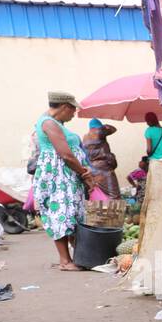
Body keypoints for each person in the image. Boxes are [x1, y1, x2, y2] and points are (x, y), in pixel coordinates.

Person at [32, 91, 96, 271]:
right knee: (61, 212)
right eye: (73, 109)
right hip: (58, 175)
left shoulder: (56, 122)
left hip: (67, 174)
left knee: (73, 213)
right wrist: (84, 173)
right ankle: (65, 261)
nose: (74, 113)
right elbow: (66, 155)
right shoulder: (48, 123)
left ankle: (79, 256)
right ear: (64, 107)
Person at [81, 119, 120, 199]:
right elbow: (113, 129)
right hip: (104, 169)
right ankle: (112, 210)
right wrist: (104, 126)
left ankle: (101, 210)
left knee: (99, 193)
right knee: (113, 194)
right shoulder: (99, 133)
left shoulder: (85, 137)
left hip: (92, 168)